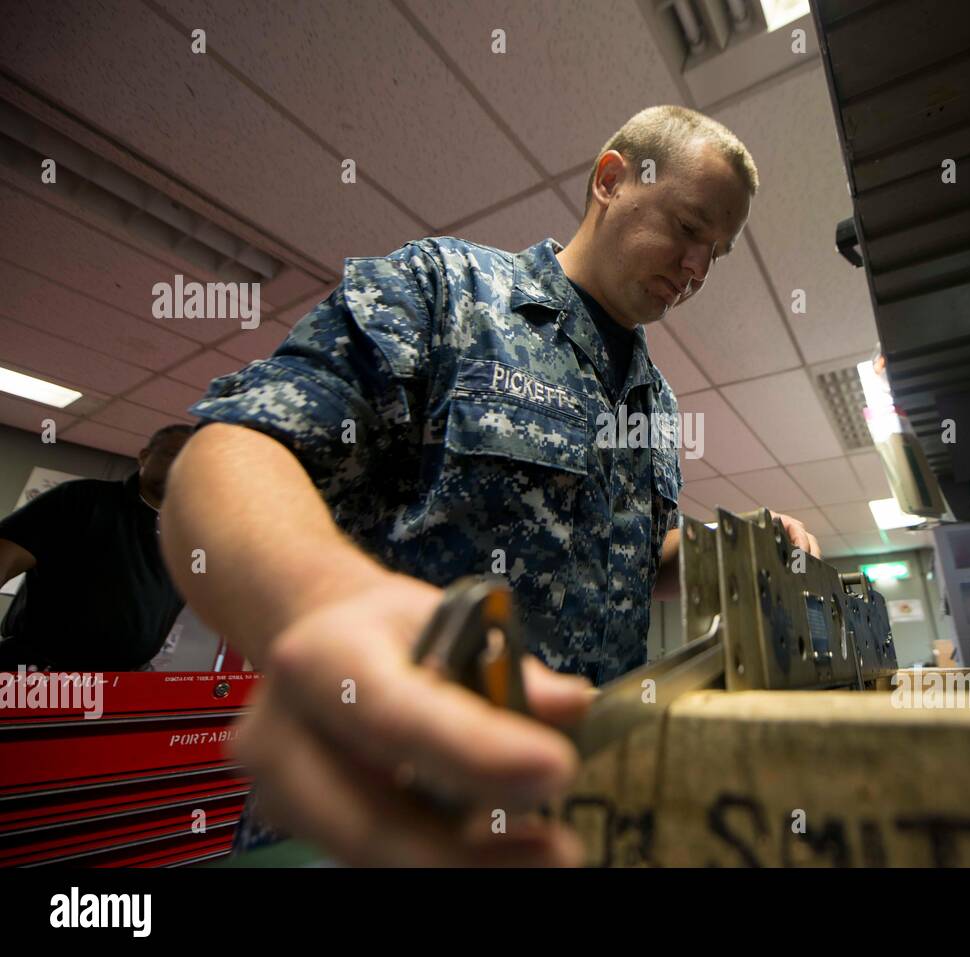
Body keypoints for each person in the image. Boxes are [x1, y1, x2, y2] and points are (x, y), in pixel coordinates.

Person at [160, 105, 820, 866]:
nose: (699, 266)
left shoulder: (655, 400)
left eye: (719, 251)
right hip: (384, 807)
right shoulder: (447, 290)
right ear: (611, 180)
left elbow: (630, 557)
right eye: (688, 226)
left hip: (570, 814)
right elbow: (237, 444)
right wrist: (320, 598)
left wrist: (726, 554)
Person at [0, 424, 193, 671]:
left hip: (124, 681)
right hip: (40, 671)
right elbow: (6, 555)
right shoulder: (83, 499)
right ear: (145, 456)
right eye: (173, 454)